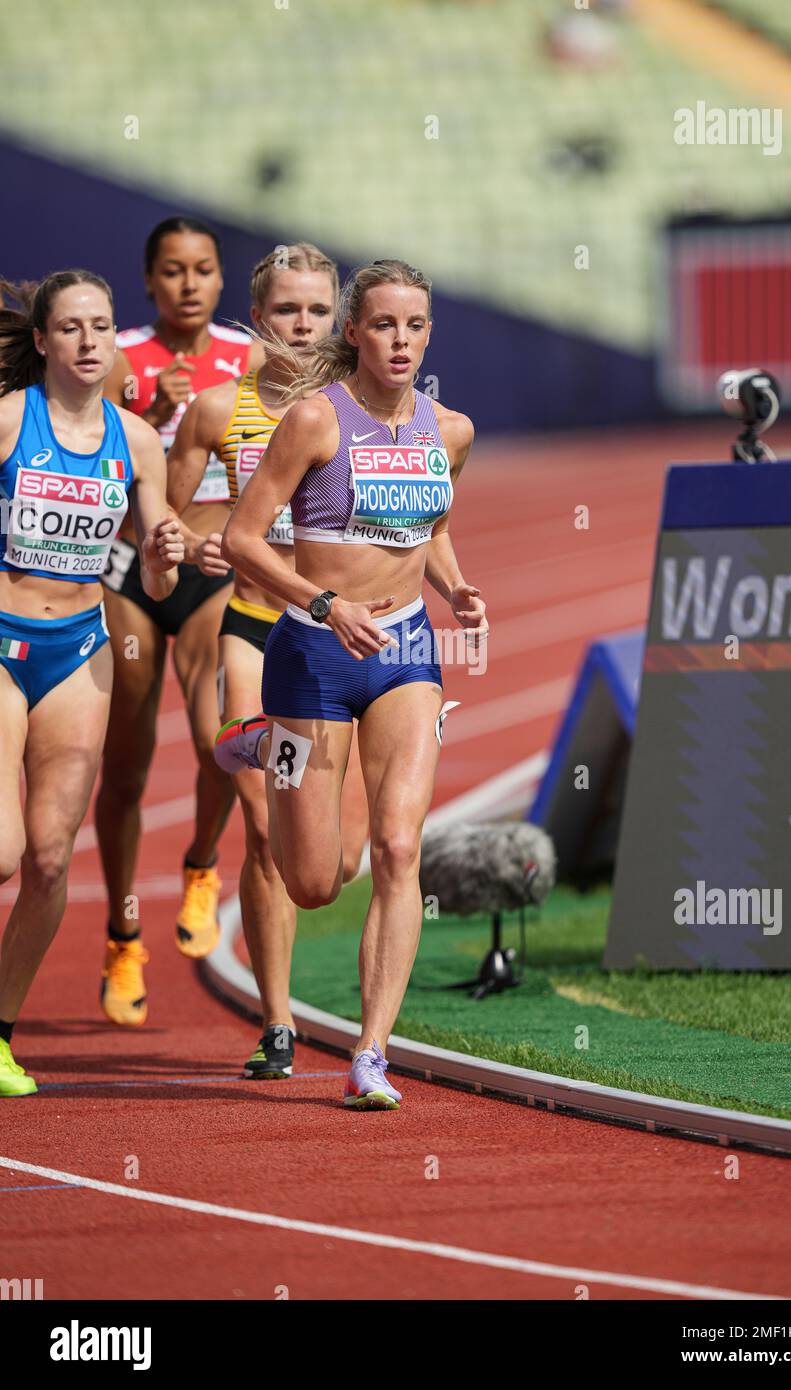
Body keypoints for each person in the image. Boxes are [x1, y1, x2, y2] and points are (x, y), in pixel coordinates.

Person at [219, 259, 487, 1109]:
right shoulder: (312, 422)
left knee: (400, 848)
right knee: (314, 881)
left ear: (430, 334)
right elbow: (242, 539)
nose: (399, 341)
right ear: (354, 333)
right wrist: (324, 602)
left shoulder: (450, 431)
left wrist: (456, 588)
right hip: (310, 654)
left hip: (405, 651)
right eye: (382, 325)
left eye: (413, 326)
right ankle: (262, 742)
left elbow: (432, 530)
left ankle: (372, 1053)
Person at [168, 242, 369, 1080]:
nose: (303, 324)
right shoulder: (218, 410)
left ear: (339, 320)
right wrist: (191, 545)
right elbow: (165, 522)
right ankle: (279, 1021)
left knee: (343, 858)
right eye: (287, 309)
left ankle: (252, 746)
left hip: (335, 643)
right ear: (258, 319)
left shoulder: (357, 410)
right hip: (252, 630)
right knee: (263, 828)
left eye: (318, 310)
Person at [0, 270, 182, 1096]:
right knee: (3, 852)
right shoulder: (9, 423)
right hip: (1, 645)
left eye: (101, 327)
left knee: (45, 860)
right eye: (69, 327)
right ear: (41, 341)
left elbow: (160, 578)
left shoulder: (138, 441)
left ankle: (0, 1035)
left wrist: (163, 555)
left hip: (81, 651)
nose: (86, 341)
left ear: (115, 340)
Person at [95, 216, 262, 1027]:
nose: (188, 284)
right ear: (149, 279)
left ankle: (202, 863)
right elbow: (87, 448)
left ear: (221, 279)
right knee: (125, 765)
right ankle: (123, 934)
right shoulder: (119, 354)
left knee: (214, 741)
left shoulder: (251, 358)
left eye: (202, 269)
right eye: (171, 270)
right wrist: (141, 406)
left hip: (206, 566)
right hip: (130, 566)